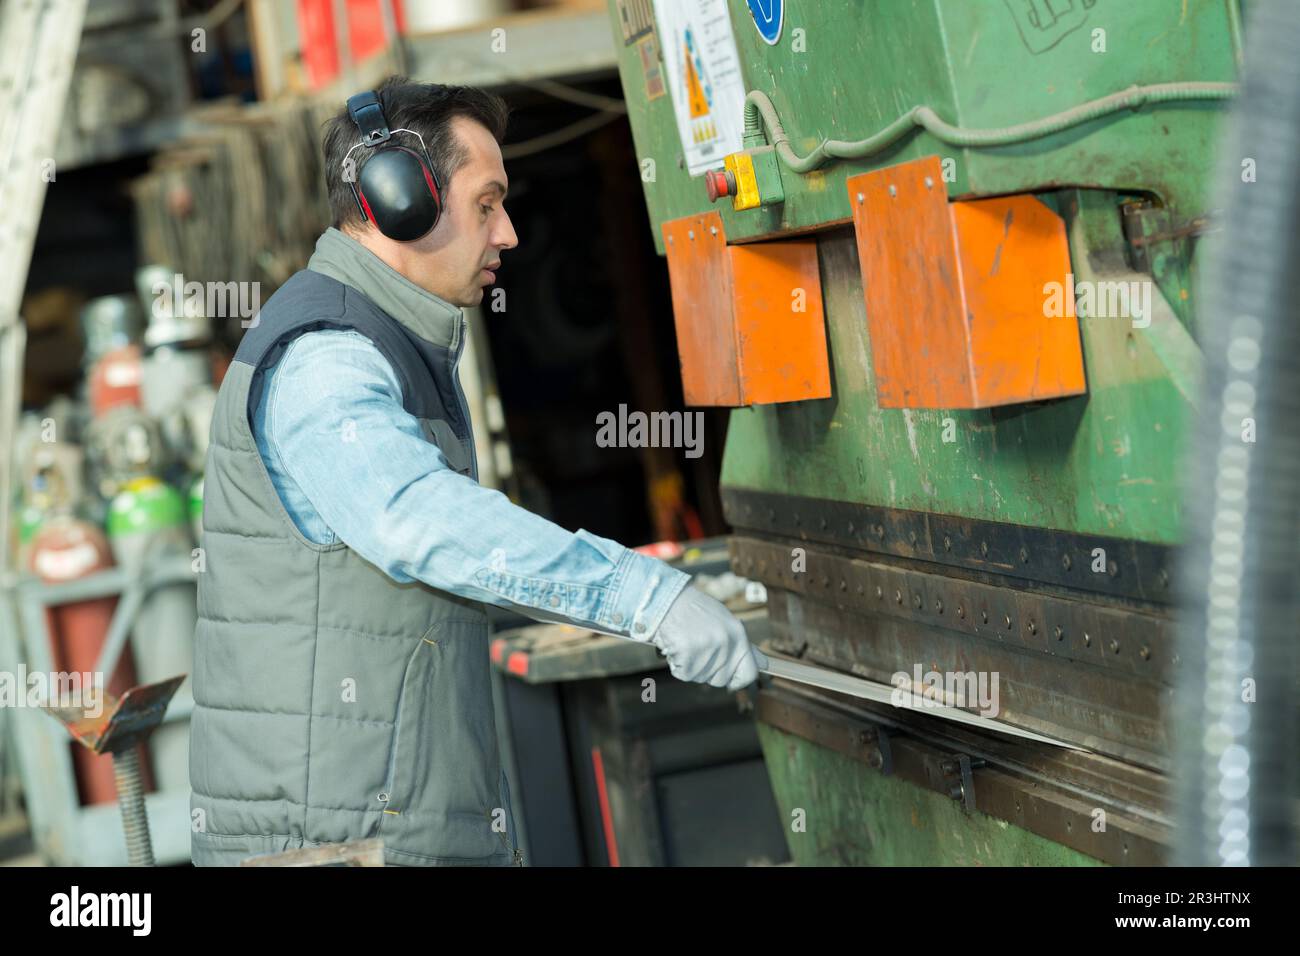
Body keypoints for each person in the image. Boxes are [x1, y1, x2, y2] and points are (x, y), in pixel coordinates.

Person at [189, 76, 768, 867]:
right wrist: (647, 597)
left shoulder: (390, 339)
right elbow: (417, 519)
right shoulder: (327, 358)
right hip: (336, 847)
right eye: (487, 203)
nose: (510, 234)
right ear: (401, 199)